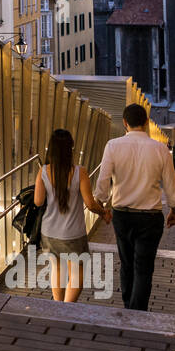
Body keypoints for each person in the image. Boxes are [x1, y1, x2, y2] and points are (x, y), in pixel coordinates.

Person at [94, 103, 175, 311]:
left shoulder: (113, 146)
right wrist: (174, 209)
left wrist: (101, 205)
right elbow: (171, 183)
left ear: (125, 123)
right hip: (150, 217)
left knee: (126, 263)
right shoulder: (160, 149)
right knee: (144, 267)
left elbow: (103, 182)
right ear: (145, 123)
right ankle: (137, 311)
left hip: (122, 215)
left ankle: (128, 306)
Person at [33, 128, 107, 303]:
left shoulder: (43, 171)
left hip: (49, 232)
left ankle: (59, 307)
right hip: (73, 233)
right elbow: (89, 203)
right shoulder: (80, 172)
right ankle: (68, 307)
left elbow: (37, 201)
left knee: (57, 269)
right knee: (77, 273)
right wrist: (103, 212)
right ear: (70, 149)